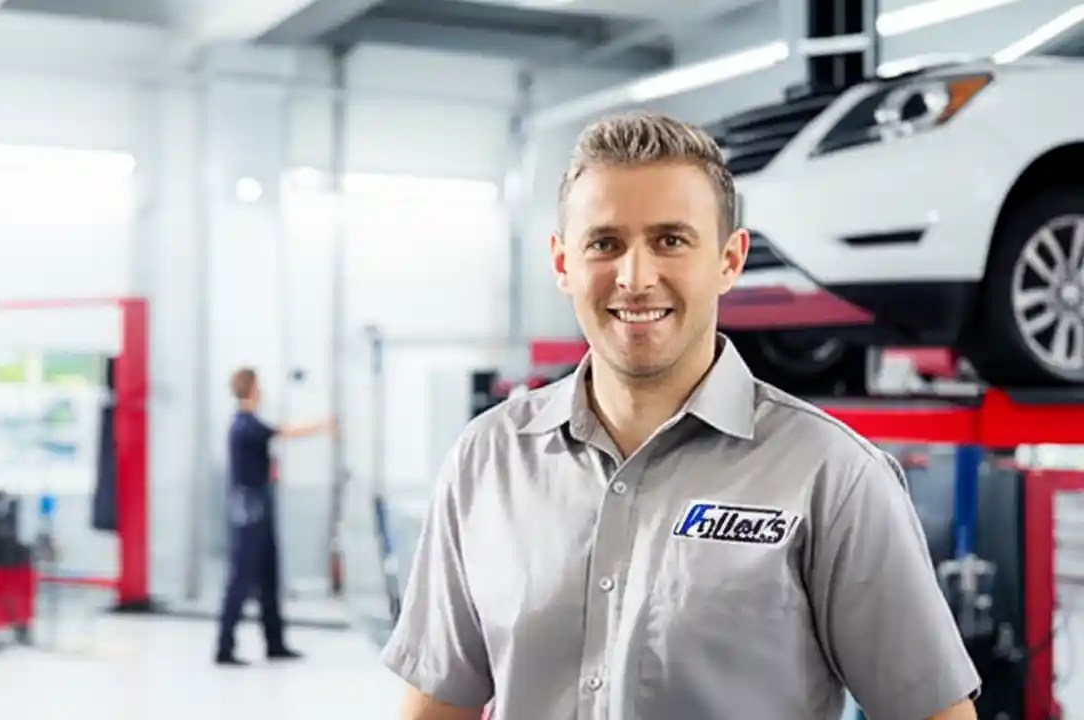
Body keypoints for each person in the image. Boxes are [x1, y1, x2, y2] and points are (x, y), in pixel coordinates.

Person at [381, 113, 980, 720]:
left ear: (729, 259)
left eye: (670, 240)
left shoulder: (833, 477)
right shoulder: (488, 460)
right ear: (562, 263)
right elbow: (437, 707)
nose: (636, 278)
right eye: (605, 243)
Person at [215, 367, 336, 666]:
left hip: (259, 510)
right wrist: (323, 426)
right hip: (250, 513)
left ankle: (275, 643)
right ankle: (224, 647)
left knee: (268, 578)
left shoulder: (247, 424)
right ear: (252, 388)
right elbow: (284, 432)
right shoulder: (244, 426)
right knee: (241, 581)